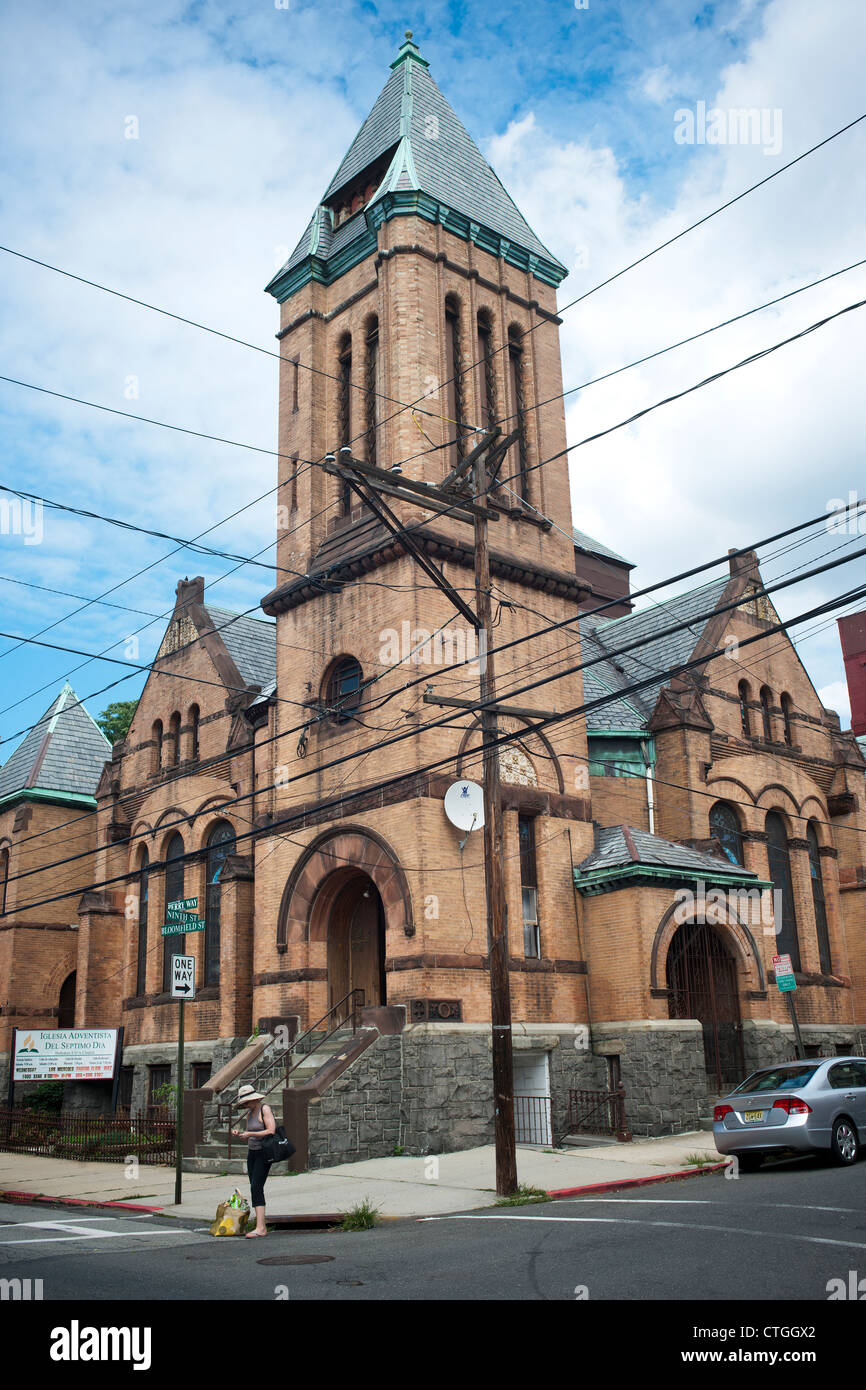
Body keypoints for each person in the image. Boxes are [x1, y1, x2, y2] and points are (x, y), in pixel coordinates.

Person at [232, 1084, 276, 1238]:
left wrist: (250, 1133)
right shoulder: (249, 1113)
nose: (245, 1105)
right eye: (243, 1104)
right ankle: (260, 1225)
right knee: (254, 1186)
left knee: (256, 1186)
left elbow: (271, 1130)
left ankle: (261, 1227)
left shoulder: (264, 1109)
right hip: (252, 1152)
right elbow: (250, 1135)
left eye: (246, 1102)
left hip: (264, 1153)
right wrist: (241, 1135)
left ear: (254, 1099)